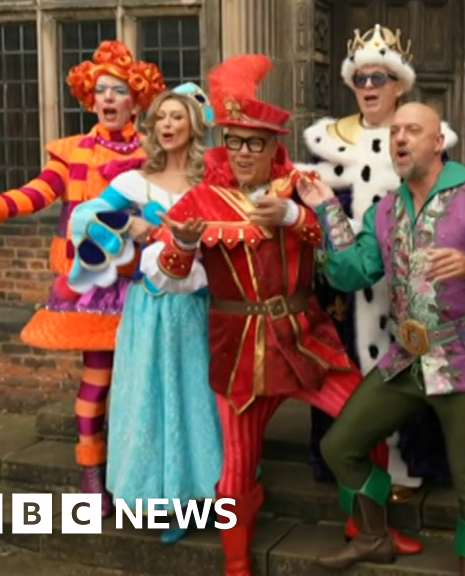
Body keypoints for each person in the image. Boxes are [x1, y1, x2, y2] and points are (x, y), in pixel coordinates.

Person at [296, 102, 465, 576]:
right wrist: (326, 207)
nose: (400, 139)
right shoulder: (387, 208)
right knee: (339, 445)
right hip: (408, 356)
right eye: (394, 133)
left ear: (438, 142)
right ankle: (372, 537)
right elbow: (352, 271)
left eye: (412, 130)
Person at [145, 55, 361, 576]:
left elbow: (346, 245)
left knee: (362, 422)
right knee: (236, 469)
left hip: (305, 338)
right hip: (237, 348)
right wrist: (183, 242)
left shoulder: (298, 185)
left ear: (273, 147)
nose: (243, 153)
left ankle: (368, 529)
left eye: (255, 143)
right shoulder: (200, 198)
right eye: (235, 141)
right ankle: (236, 564)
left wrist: (297, 216)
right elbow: (168, 275)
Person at [0, 40, 164, 515]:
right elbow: (33, 194)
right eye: (100, 89)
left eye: (118, 90)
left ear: (135, 99)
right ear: (90, 97)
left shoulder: (155, 152)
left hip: (149, 283)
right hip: (98, 287)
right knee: (98, 379)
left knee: (145, 382)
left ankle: (141, 474)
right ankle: (92, 475)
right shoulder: (70, 153)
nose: (107, 98)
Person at [296, 24, 456, 519]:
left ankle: (409, 465)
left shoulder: (424, 141)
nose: (369, 86)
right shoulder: (329, 144)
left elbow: (448, 207)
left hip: (409, 288)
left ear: (399, 84)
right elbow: (307, 213)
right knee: (346, 369)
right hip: (345, 287)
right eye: (361, 77)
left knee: (410, 370)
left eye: (380, 77)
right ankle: (354, 463)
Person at [66, 83, 221, 544]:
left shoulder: (211, 182)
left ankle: (198, 498)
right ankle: (152, 500)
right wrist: (126, 222)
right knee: (148, 399)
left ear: (193, 126)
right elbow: (81, 219)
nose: (168, 125)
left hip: (197, 310)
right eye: (162, 118)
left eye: (178, 117)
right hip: (149, 310)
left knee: (196, 398)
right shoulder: (133, 182)